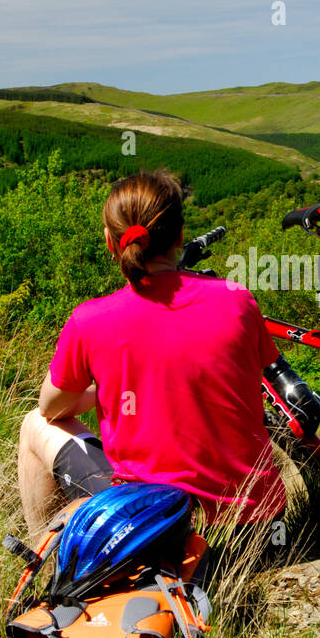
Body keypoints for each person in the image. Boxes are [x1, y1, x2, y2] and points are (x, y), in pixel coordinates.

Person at [16, 170, 287, 575]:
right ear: (179, 236)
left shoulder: (91, 319)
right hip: (259, 533)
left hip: (160, 534)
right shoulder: (238, 301)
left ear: (112, 243)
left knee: (32, 423)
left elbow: (52, 407)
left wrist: (105, 390)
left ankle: (56, 563)